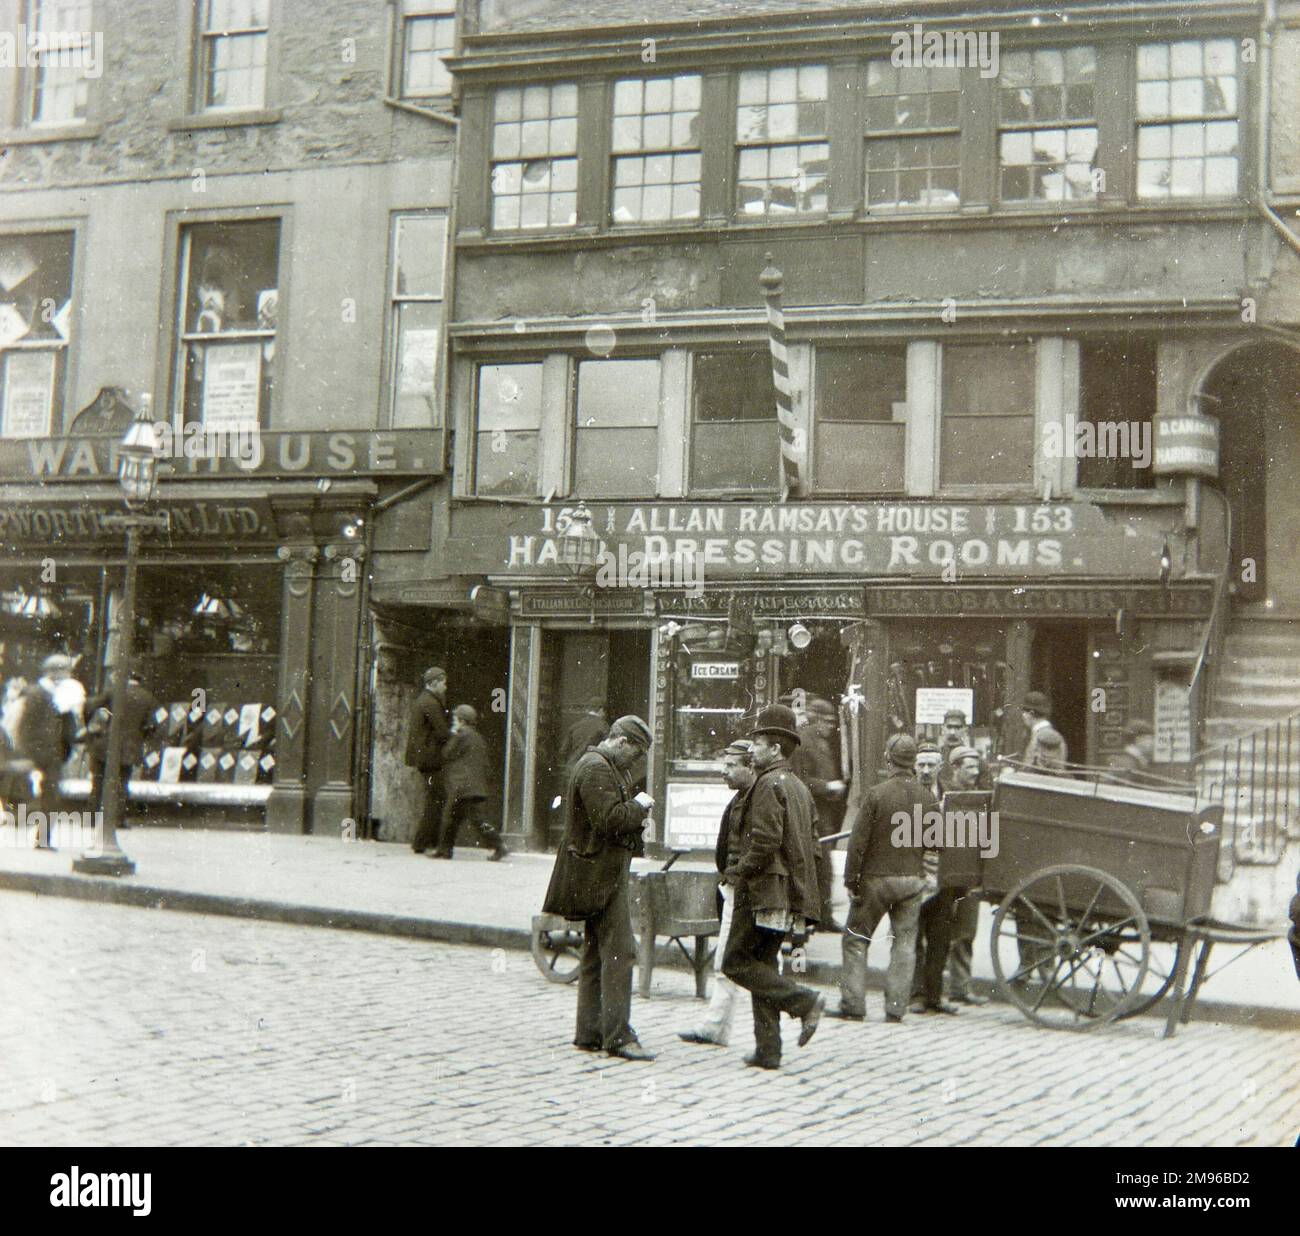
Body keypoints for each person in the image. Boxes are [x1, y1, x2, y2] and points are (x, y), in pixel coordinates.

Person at [542, 715, 656, 1061]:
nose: (635, 762)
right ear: (620, 741)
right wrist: (639, 807)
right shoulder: (596, 769)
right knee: (621, 951)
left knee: (594, 952)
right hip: (599, 875)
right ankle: (618, 1036)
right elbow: (608, 819)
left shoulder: (601, 766)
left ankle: (589, 1032)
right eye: (635, 754)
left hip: (599, 872)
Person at [720, 705, 825, 1069]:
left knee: (734, 962)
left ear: (776, 749)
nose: (752, 750)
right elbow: (813, 845)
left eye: (758, 743)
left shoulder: (766, 785)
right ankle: (769, 1049)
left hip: (762, 889)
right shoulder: (797, 786)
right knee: (762, 963)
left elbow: (764, 841)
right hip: (785, 892)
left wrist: (738, 872)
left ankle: (804, 1001)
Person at [834, 734, 936, 1023]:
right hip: (911, 881)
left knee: (855, 940)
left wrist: (851, 880)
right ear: (913, 761)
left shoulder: (876, 794)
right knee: (904, 944)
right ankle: (895, 1007)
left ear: (887, 759)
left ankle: (853, 1004)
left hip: (875, 880)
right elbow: (936, 843)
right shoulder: (927, 797)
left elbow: (857, 843)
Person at [678, 739, 756, 1048]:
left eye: (731, 765)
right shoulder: (740, 799)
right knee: (742, 960)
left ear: (750, 767)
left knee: (731, 958)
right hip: (737, 887)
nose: (723, 771)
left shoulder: (754, 800)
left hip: (746, 891)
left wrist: (734, 876)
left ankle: (797, 1006)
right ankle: (718, 1027)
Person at [790, 695, 848, 931]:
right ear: (815, 720)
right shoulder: (803, 743)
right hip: (810, 814)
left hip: (822, 813)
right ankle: (813, 918)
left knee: (823, 868)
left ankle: (822, 917)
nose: (831, 726)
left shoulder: (820, 743)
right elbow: (800, 780)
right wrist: (827, 787)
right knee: (814, 868)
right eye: (827, 721)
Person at [910, 741, 960, 1015]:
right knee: (912, 939)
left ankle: (935, 996)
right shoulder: (907, 794)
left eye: (931, 765)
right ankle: (916, 995)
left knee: (940, 939)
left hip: (942, 876)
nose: (926, 770)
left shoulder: (952, 795)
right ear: (914, 767)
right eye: (921, 765)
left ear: (940, 767)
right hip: (914, 875)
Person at [13, 654, 79, 849]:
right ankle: (40, 838)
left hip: (53, 754)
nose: (67, 676)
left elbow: (67, 726)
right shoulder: (37, 693)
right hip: (40, 754)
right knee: (45, 797)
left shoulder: (61, 695)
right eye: (64, 671)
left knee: (51, 799)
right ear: (54, 673)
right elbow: (25, 727)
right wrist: (30, 754)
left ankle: (43, 839)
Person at [943, 746, 989, 1006]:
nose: (974, 772)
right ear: (956, 768)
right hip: (947, 873)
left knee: (966, 932)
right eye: (969, 767)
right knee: (939, 933)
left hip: (970, 873)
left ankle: (960, 987)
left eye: (976, 767)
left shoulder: (980, 797)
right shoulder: (946, 795)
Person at [83, 670, 161, 823]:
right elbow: (152, 726)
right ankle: (117, 820)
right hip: (129, 747)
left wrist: (92, 727)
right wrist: (138, 737)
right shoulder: (148, 698)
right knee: (122, 784)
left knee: (98, 783)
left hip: (104, 744)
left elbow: (90, 706)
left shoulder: (113, 692)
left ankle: (91, 818)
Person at [435, 704, 507, 861]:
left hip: (463, 787)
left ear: (462, 720)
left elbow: (447, 753)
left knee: (455, 819)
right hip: (473, 786)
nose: (453, 722)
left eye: (455, 719)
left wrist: (453, 734)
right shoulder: (477, 737)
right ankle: (445, 850)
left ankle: (498, 846)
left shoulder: (461, 735)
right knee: (464, 819)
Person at [405, 666, 451, 855]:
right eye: (443, 683)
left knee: (435, 798)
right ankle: (421, 842)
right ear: (433, 683)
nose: (446, 687)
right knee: (436, 798)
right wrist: (455, 735)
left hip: (425, 758)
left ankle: (426, 841)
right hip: (431, 759)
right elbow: (441, 732)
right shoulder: (430, 703)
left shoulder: (424, 700)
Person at [1020, 691, 1068, 770]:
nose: (1023, 716)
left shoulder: (1046, 736)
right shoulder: (1044, 734)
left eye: (1024, 712)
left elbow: (1044, 771)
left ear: (1031, 713)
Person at [558, 699, 607, 774]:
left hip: (572, 769)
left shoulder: (575, 726)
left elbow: (563, 751)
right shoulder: (603, 726)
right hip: (591, 770)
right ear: (601, 710)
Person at [1107, 719, 1158, 784]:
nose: (1153, 743)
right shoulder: (1128, 763)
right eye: (1150, 739)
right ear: (1139, 739)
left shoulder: (1129, 760)